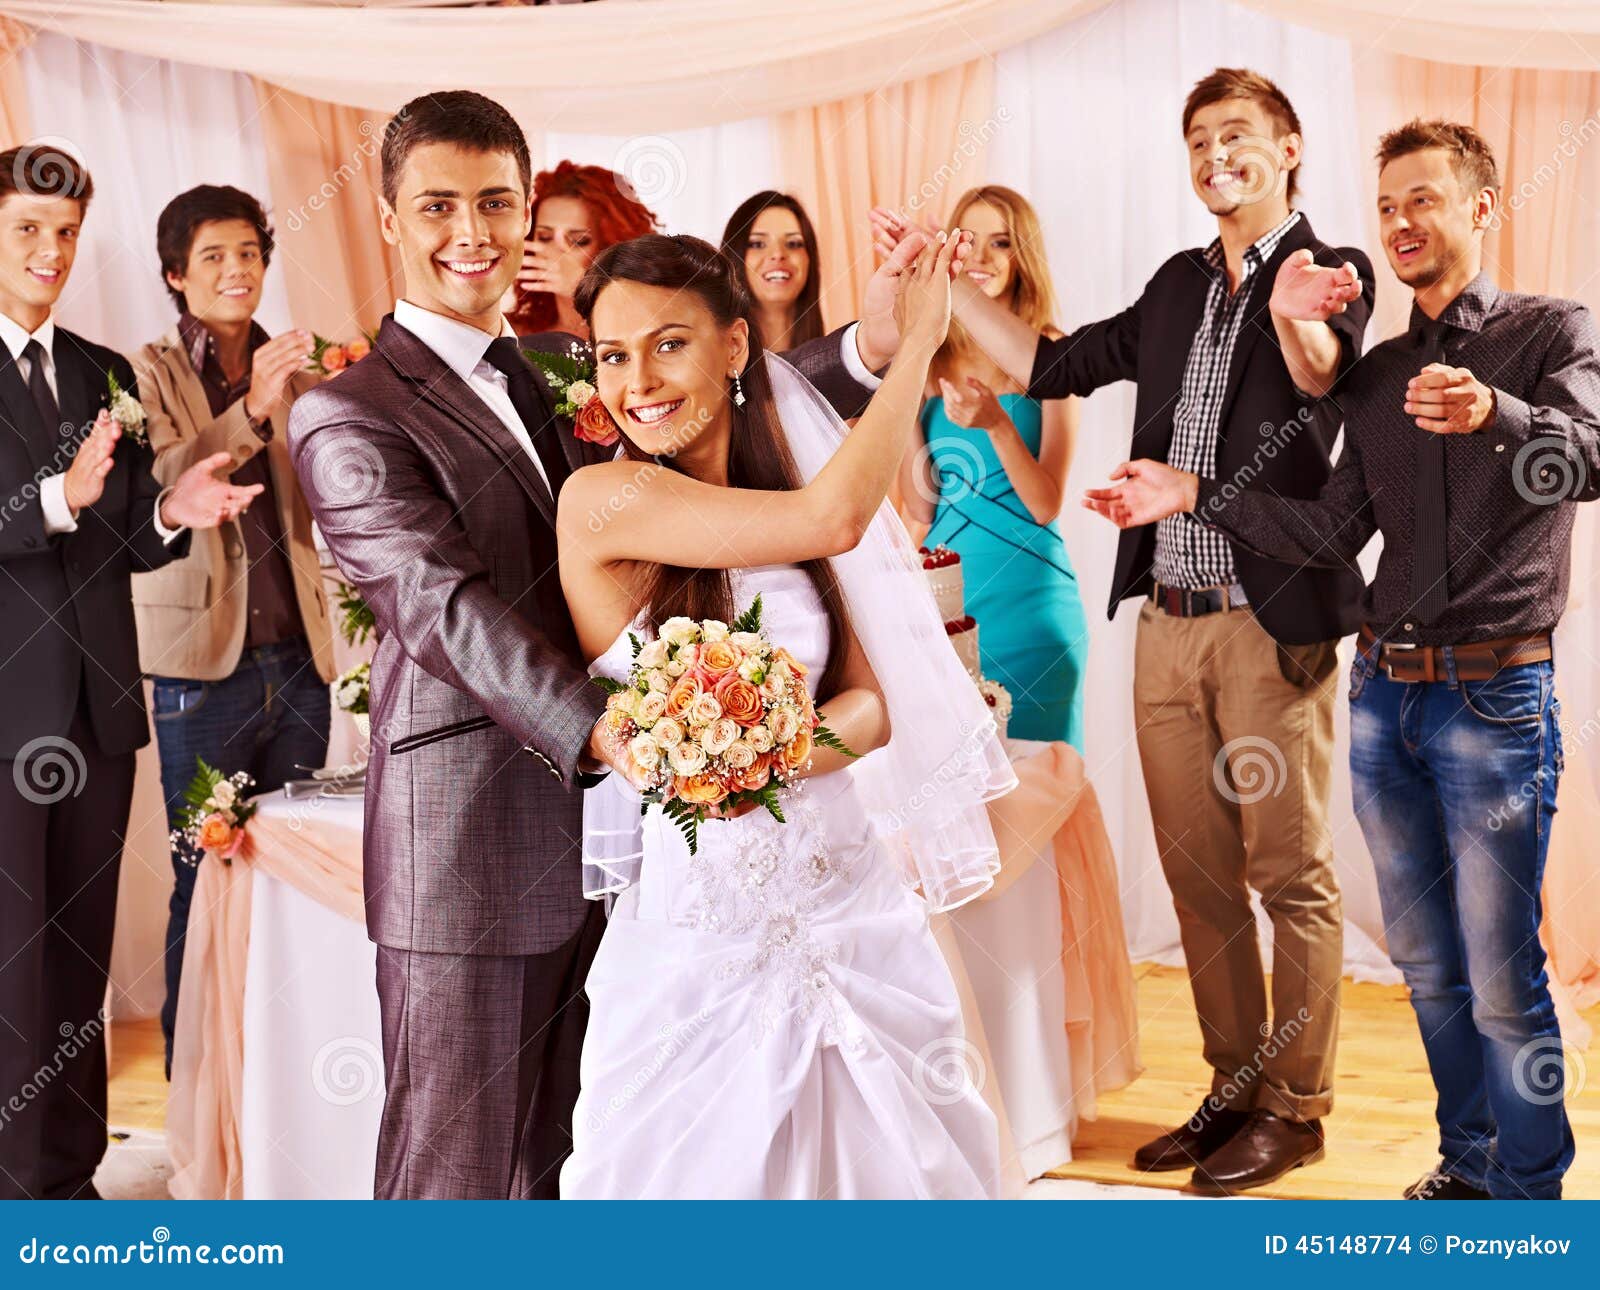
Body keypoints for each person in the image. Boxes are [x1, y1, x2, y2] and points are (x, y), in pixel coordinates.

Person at [288, 90, 950, 1200]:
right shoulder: (347, 412)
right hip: (473, 844)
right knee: (451, 1179)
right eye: (439, 204)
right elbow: (443, 610)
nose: (472, 231)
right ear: (389, 218)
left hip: (624, 858)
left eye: (496, 202)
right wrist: (624, 736)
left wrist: (879, 343)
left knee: (579, 1169)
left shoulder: (561, 369)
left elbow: (711, 393)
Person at [877, 67, 1375, 1194]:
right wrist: (939, 276)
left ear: (1290, 147)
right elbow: (1048, 364)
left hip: (1268, 620)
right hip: (1166, 619)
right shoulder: (1174, 285)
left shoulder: (1329, 271)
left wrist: (1296, 317)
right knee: (1197, 872)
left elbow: (1323, 376)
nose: (1215, 154)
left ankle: (1294, 1109)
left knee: (1289, 871)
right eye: (1197, 139)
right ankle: (1233, 1087)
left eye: (1237, 134)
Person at [1085, 119, 1594, 1201]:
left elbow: (1591, 457)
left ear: (1482, 208)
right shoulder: (1377, 378)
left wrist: (1496, 414)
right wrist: (1192, 494)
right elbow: (1327, 531)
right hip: (1382, 699)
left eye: (1425, 200)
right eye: (1389, 205)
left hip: (1496, 699)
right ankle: (1468, 1167)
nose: (1402, 222)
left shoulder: (1551, 333)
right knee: (1429, 970)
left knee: (1502, 973)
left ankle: (1529, 1202)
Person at [557, 231, 1009, 1199]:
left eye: (668, 344)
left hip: (845, 890)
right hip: (701, 923)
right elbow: (835, 519)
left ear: (734, 347)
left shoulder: (791, 487)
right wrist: (917, 343)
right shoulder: (601, 500)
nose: (638, 382)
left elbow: (871, 710)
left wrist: (769, 757)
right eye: (612, 355)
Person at [0, 145, 267, 1200]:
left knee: (81, 958)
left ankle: (69, 1175)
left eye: (66, 233)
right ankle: (17, 1185)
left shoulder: (98, 370)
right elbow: (57, 513)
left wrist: (169, 511)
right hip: (7, 720)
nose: (51, 251)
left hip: (101, 716)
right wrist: (53, 499)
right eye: (27, 229)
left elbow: (118, 542)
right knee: (13, 961)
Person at [131, 184, 336, 1074]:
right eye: (213, 256)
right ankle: (194, 1079)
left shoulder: (296, 362)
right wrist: (252, 408)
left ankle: (277, 1077)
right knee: (202, 874)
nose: (236, 269)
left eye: (249, 252)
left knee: (289, 876)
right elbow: (163, 480)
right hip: (199, 672)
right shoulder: (142, 372)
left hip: (301, 662)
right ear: (177, 274)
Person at [892, 185, 1088, 747]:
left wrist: (998, 424)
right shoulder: (933, 356)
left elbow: (1045, 504)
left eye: (1000, 242)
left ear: (1023, 257)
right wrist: (905, 367)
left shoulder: (1052, 350)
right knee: (964, 786)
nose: (980, 257)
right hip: (950, 607)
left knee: (1045, 781)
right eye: (968, 240)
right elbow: (920, 504)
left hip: (1034, 610)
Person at [505, 160, 660, 338]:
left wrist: (583, 289)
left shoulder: (642, 330)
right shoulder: (510, 331)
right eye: (545, 237)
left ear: (611, 248)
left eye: (578, 241)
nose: (556, 251)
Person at [722, 190, 825, 353]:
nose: (777, 254)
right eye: (758, 244)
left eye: (793, 244)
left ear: (810, 259)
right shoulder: (712, 358)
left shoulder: (839, 357)